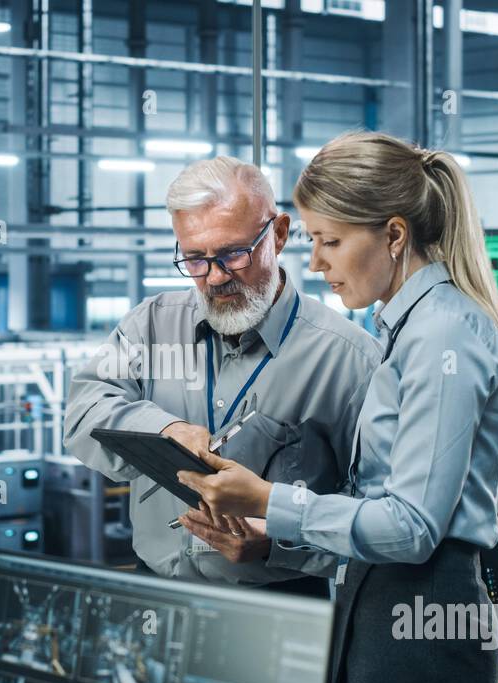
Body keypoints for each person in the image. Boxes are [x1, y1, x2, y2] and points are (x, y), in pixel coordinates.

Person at [177, 130, 498, 683]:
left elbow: (413, 528)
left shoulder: (442, 335)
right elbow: (378, 510)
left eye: (330, 241)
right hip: (382, 603)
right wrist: (273, 537)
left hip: (422, 617)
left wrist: (268, 499)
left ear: (393, 235)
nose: (315, 263)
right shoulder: (407, 330)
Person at [64, 156, 380, 593]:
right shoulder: (150, 325)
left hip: (281, 600)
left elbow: (378, 515)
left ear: (281, 234)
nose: (214, 277)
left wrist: (280, 545)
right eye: (194, 258)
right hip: (155, 590)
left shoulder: (350, 360)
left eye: (233, 254)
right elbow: (84, 411)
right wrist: (165, 430)